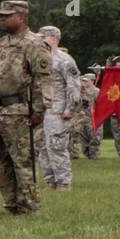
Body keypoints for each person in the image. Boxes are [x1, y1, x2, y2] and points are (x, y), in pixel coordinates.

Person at [0, 0, 53, 216]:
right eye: (0, 15)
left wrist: (39, 110)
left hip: (21, 110)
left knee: (23, 161)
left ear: (21, 17)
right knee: (2, 161)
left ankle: (28, 206)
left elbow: (43, 79)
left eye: (7, 15)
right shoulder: (1, 44)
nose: (2, 18)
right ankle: (11, 203)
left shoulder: (34, 44)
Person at [37, 26, 79, 190]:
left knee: (57, 146)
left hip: (59, 110)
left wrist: (70, 108)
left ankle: (63, 182)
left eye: (43, 37)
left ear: (53, 38)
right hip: (43, 109)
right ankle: (50, 181)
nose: (40, 40)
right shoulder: (41, 59)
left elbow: (73, 86)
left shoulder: (64, 60)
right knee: (43, 147)